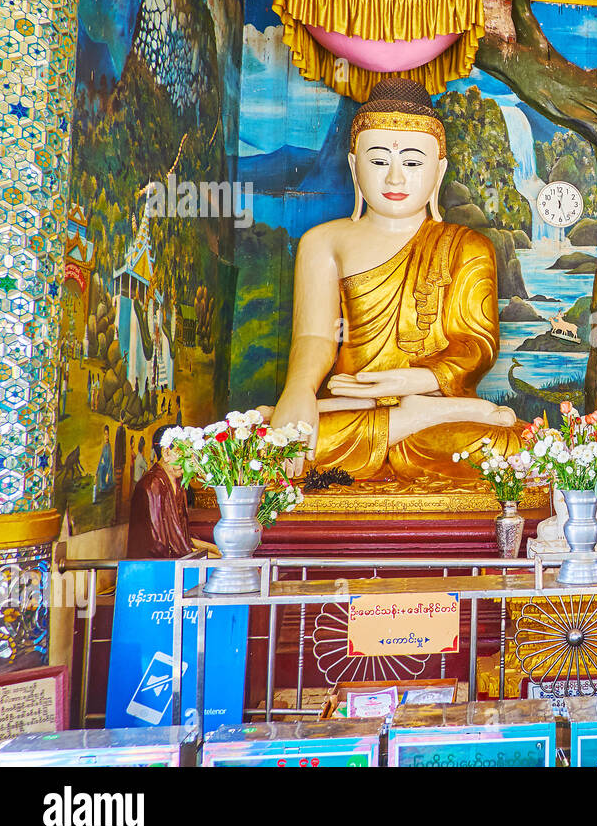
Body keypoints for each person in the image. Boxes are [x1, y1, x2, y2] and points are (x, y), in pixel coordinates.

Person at [269, 77, 519, 483]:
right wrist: (297, 393)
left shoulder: (466, 245)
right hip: (350, 406)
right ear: (354, 165)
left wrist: (413, 381)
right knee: (267, 446)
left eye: (413, 163)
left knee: (505, 448)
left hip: (433, 409)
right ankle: (406, 421)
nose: (395, 180)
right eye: (380, 161)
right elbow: (314, 338)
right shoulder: (324, 242)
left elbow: (477, 344)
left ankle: (423, 415)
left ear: (439, 171)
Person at [128, 424, 219, 559]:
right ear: (166, 453)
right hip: (155, 567)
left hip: (178, 558)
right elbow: (159, 545)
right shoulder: (152, 485)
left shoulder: (178, 483)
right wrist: (209, 557)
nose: (190, 459)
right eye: (183, 453)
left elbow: (182, 538)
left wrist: (215, 550)